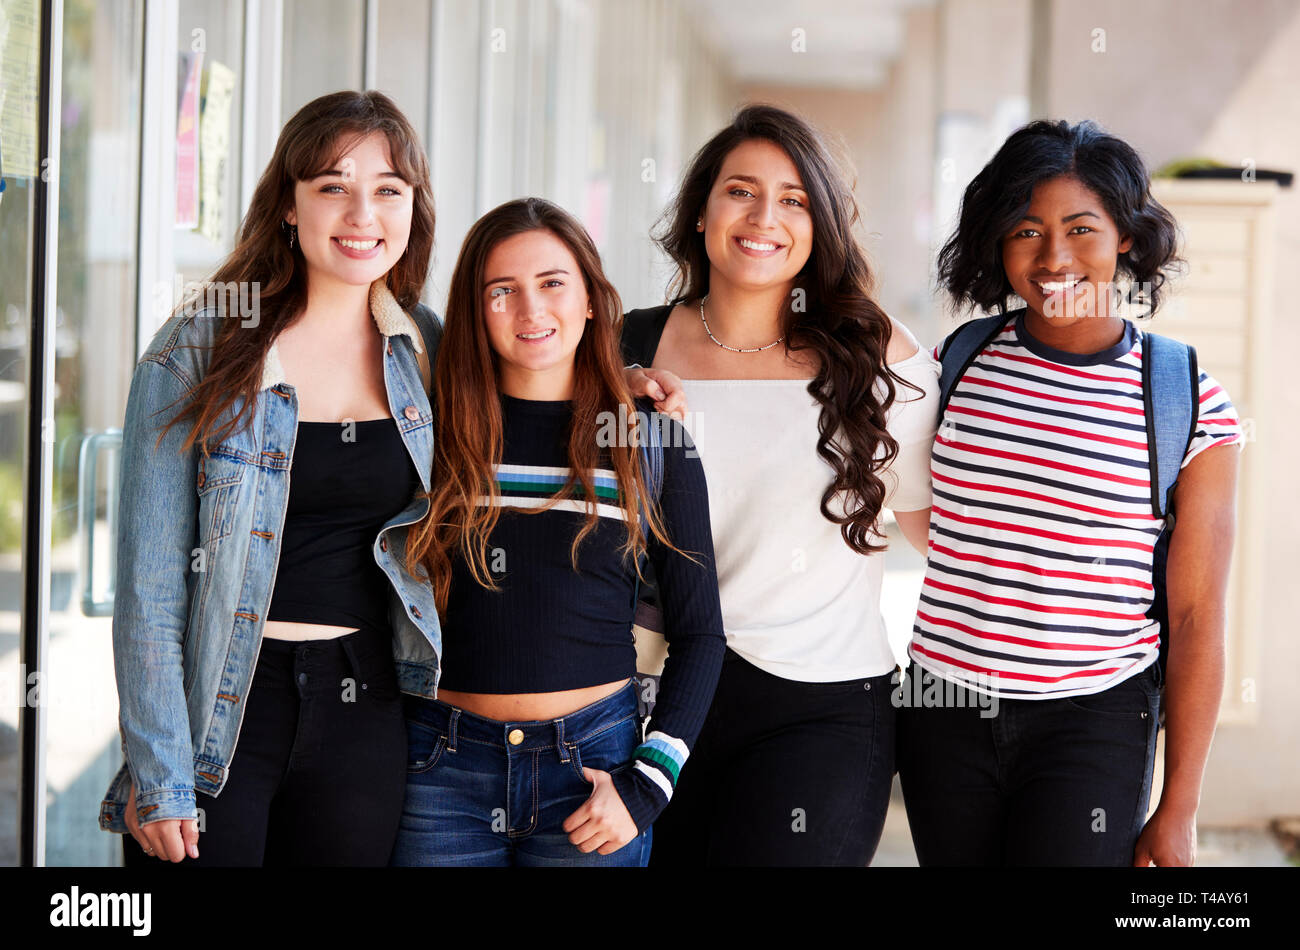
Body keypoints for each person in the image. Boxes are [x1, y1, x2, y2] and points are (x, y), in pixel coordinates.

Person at [98, 90, 686, 867]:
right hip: (222, 707)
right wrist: (161, 772)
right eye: (333, 187)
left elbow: (535, 356)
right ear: (288, 204)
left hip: (366, 707)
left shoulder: (426, 349)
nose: (361, 214)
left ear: (413, 209)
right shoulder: (198, 350)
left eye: (388, 191)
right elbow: (149, 586)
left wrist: (624, 380)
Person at [896, 119, 1243, 866]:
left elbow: (1195, 614)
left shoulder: (1184, 398)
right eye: (1026, 230)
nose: (1053, 257)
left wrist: (1178, 808)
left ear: (1124, 235)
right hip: (942, 710)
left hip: (1095, 723)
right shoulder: (956, 362)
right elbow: (920, 514)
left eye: (1081, 228)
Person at [621, 104, 939, 866]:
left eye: (794, 199)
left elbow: (940, 535)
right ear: (701, 212)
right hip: (649, 701)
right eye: (740, 190)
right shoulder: (625, 345)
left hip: (821, 708)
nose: (765, 216)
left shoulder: (876, 356)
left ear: (820, 224)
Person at [389, 197, 726, 867]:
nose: (530, 310)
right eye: (501, 291)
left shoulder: (650, 439)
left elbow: (702, 634)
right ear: (474, 311)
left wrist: (647, 788)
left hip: (594, 768)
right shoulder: (428, 433)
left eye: (551, 283)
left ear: (593, 299)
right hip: (439, 770)